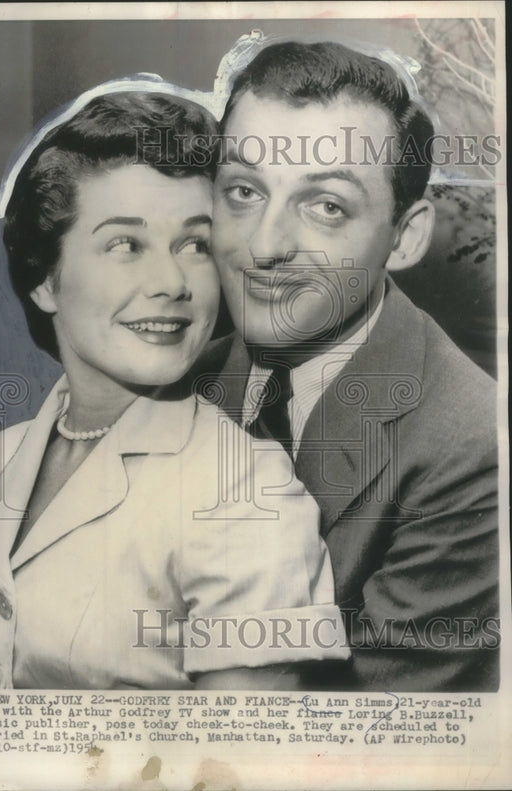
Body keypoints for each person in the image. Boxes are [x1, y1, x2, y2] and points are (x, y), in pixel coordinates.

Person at [0, 89, 349, 690]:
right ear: (46, 279)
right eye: (126, 244)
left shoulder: (248, 489)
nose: (172, 283)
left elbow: (243, 766)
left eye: (197, 245)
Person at [198, 40, 499, 690]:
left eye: (327, 206)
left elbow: (353, 741)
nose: (264, 246)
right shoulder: (170, 379)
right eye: (245, 190)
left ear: (405, 236)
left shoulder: (472, 446)